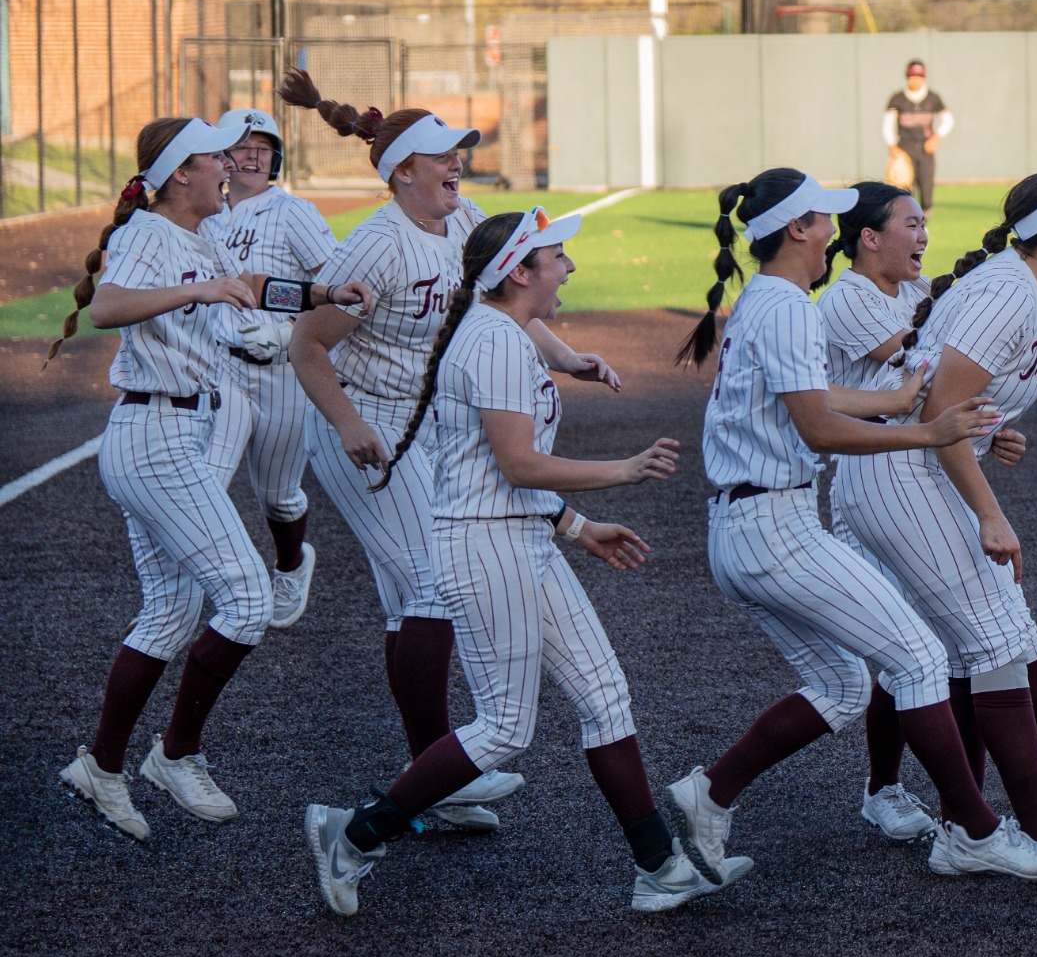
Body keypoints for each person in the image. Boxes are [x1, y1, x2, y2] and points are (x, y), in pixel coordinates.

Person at [667, 168, 1037, 890]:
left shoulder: (768, 299)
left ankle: (710, 792)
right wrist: (928, 431)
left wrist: (901, 397)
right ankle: (976, 832)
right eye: (826, 219)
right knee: (917, 657)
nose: (835, 232)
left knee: (845, 683)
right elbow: (819, 426)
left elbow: (815, 397)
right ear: (798, 229)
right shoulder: (789, 305)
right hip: (773, 526)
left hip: (743, 525)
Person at [304, 210, 715, 914]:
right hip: (484, 545)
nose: (570, 267)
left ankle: (661, 868)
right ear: (520, 272)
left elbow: (504, 477)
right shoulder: (494, 342)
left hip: (516, 534)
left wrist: (577, 526)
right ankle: (353, 831)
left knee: (606, 696)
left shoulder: (504, 335)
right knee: (503, 726)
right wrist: (625, 469)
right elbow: (517, 464)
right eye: (558, 256)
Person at [279, 67, 620, 831]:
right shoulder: (374, 247)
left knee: (416, 594)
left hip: (424, 421)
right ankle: (435, 772)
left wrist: (566, 358)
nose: (457, 162)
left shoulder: (464, 224)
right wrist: (344, 425)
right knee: (434, 585)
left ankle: (428, 774)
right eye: (442, 154)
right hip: (364, 431)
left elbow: (503, 303)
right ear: (401, 171)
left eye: (458, 150)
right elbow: (306, 347)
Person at [47, 116, 373, 840]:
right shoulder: (147, 234)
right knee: (250, 599)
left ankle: (100, 767)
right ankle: (176, 752)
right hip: (154, 433)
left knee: (168, 612)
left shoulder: (204, 233)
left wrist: (322, 291)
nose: (229, 164)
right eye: (212, 157)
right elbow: (106, 307)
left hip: (176, 436)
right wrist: (195, 293)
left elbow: (249, 286)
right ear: (177, 175)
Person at [838, 171, 1037, 873]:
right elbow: (935, 409)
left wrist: (993, 430)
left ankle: (968, 826)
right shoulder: (1009, 293)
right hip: (902, 474)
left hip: (916, 469)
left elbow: (961, 403)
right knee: (994, 638)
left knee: (987, 638)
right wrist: (991, 512)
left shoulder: (1019, 290)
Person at [816, 182, 1028, 843]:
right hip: (870, 483)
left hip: (908, 474)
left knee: (921, 647)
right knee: (908, 648)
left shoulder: (910, 294)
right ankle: (890, 790)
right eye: (911, 222)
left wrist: (994, 430)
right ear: (869, 238)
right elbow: (925, 367)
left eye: (924, 222)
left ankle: (943, 796)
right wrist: (1014, 320)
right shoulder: (849, 297)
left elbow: (942, 386)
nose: (923, 234)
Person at [199, 107, 340, 629]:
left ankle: (290, 563)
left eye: (263, 146)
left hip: (284, 373)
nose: (253, 155)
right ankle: (200, 590)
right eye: (241, 145)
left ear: (275, 156)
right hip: (222, 372)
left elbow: (341, 289)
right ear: (220, 157)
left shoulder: (294, 213)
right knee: (207, 480)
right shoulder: (206, 216)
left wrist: (288, 333)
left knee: (278, 497)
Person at [883, 61, 952, 211]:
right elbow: (887, 124)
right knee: (906, 194)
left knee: (927, 196)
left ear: (924, 78)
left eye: (919, 77)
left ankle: (922, 224)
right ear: (907, 77)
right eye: (913, 76)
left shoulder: (932, 98)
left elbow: (948, 120)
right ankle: (911, 227)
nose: (916, 80)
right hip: (904, 150)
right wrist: (892, 146)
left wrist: (937, 137)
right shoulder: (897, 99)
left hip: (925, 150)